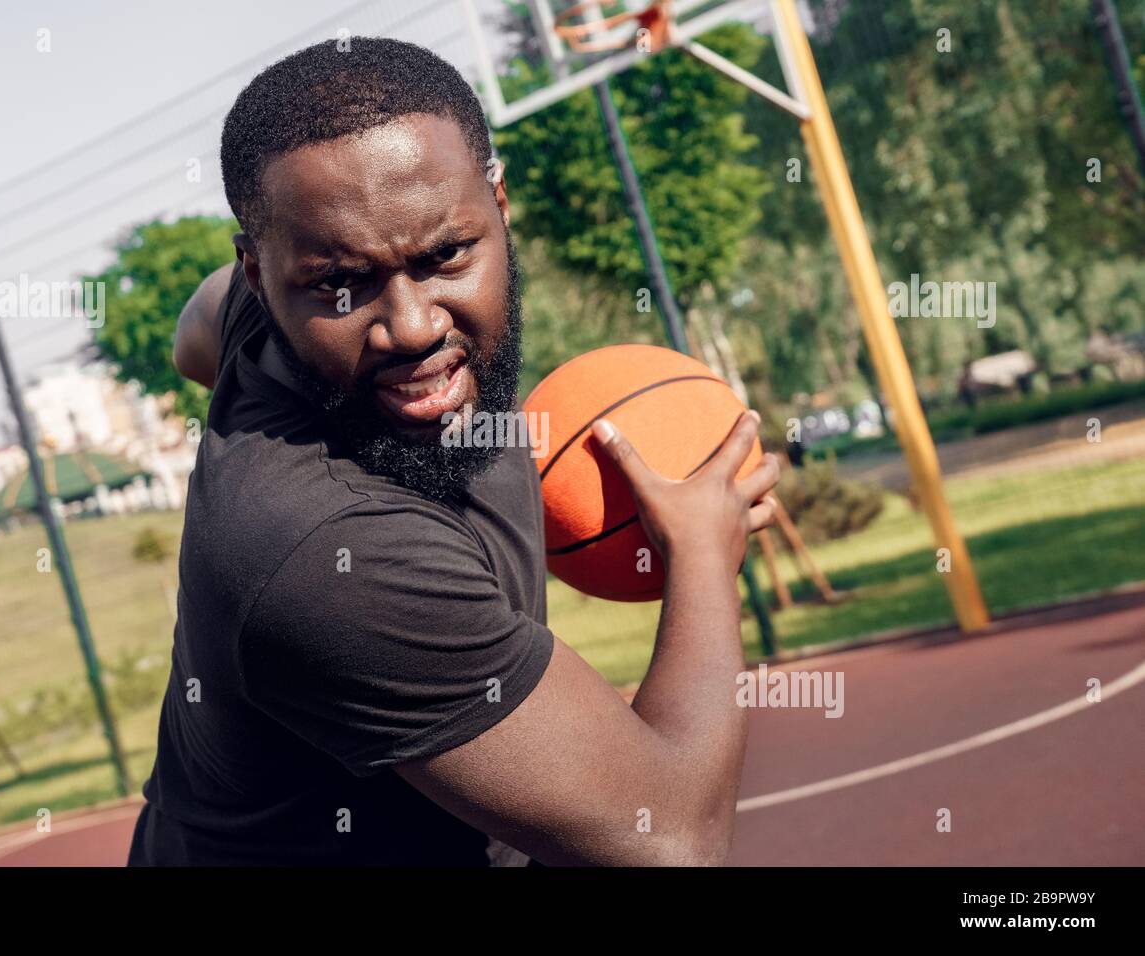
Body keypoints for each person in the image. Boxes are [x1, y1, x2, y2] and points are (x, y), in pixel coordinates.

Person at [127, 36, 778, 867]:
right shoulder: (329, 559)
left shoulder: (261, 315)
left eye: (444, 256)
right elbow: (673, 840)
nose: (414, 326)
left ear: (500, 206)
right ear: (258, 273)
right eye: (344, 284)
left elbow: (197, 333)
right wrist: (701, 555)